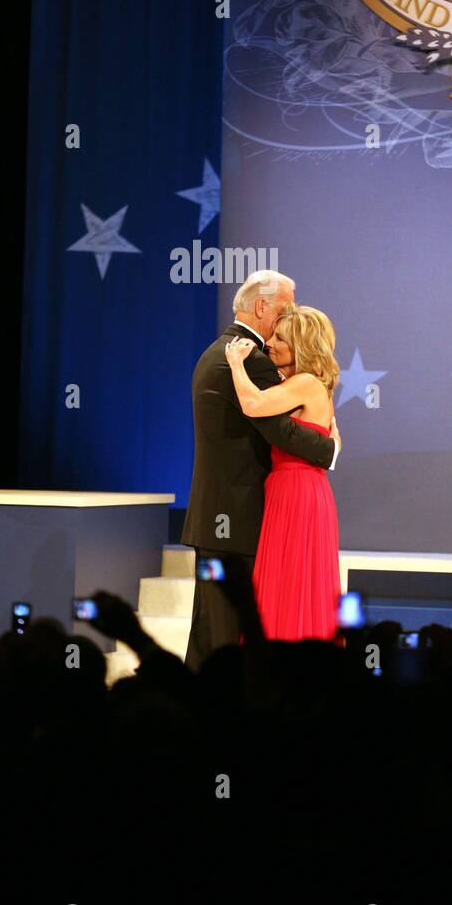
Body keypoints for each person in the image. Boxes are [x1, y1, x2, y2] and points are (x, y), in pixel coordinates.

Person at [182, 271, 340, 670]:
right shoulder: (248, 358)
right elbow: (284, 432)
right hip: (238, 520)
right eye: (285, 310)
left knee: (210, 630)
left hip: (219, 517)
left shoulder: (214, 351)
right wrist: (331, 449)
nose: (287, 321)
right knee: (226, 635)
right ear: (261, 307)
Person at [225, 303, 340, 642]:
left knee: (290, 580)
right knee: (294, 582)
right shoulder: (308, 384)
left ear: (301, 346)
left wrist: (235, 363)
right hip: (297, 490)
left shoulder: (305, 383)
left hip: (297, 492)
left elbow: (253, 405)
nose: (269, 343)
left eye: (279, 338)